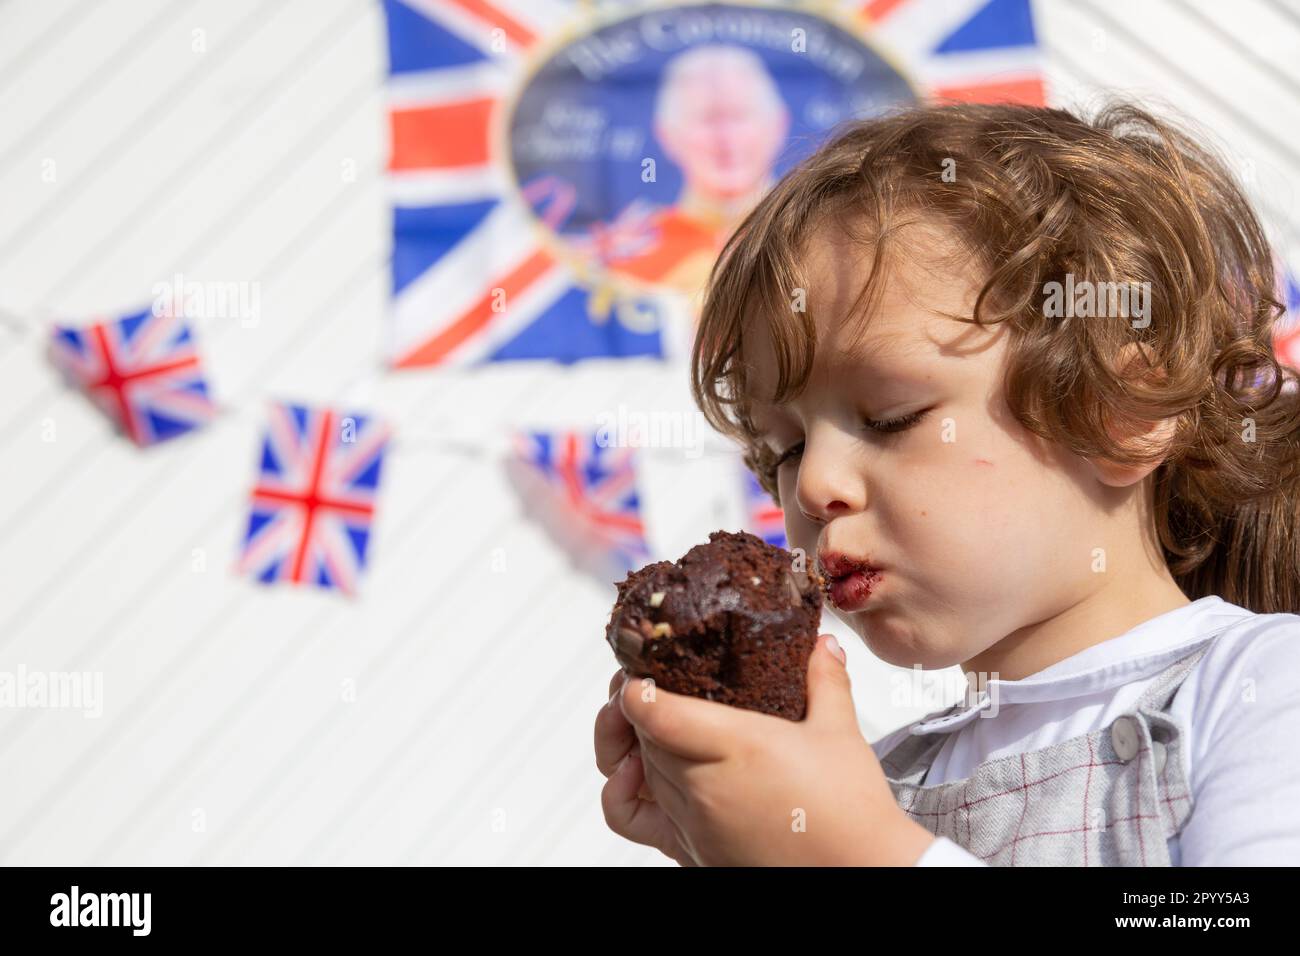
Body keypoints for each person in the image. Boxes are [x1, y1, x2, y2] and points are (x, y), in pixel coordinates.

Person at [593, 101, 1300, 865]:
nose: (813, 487)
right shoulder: (874, 780)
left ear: (1118, 415)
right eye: (787, 448)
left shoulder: (1258, 690)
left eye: (892, 416)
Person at [601, 44, 789, 296]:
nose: (726, 139)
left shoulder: (816, 239)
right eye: (706, 119)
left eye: (740, 116)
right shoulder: (631, 259)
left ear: (778, 125)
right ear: (667, 135)